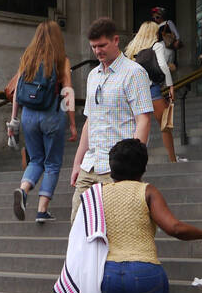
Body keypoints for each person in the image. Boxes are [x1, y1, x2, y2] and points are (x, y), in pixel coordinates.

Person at [98, 138, 202, 293]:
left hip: (107, 275)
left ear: (111, 168)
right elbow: (174, 228)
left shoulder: (97, 194)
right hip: (145, 272)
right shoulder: (147, 191)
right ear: (143, 168)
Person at [69, 17, 153, 220]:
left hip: (117, 166)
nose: (97, 51)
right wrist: (77, 163)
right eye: (93, 47)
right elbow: (91, 120)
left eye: (102, 45)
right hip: (90, 165)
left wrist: (133, 164)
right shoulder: (93, 75)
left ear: (116, 40)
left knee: (115, 228)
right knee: (78, 226)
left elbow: (143, 119)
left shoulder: (134, 73)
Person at [10, 20, 77, 224]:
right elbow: (67, 92)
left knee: (35, 159)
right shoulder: (61, 59)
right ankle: (42, 210)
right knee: (52, 163)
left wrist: (13, 120)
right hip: (51, 114)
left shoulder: (27, 58)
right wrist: (72, 122)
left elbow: (16, 92)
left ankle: (23, 190)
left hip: (28, 115)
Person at [126, 21, 179, 164]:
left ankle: (136, 162)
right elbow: (162, 65)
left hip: (136, 91)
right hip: (152, 89)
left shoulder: (133, 48)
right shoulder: (156, 46)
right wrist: (170, 86)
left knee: (141, 126)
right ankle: (173, 160)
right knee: (165, 126)